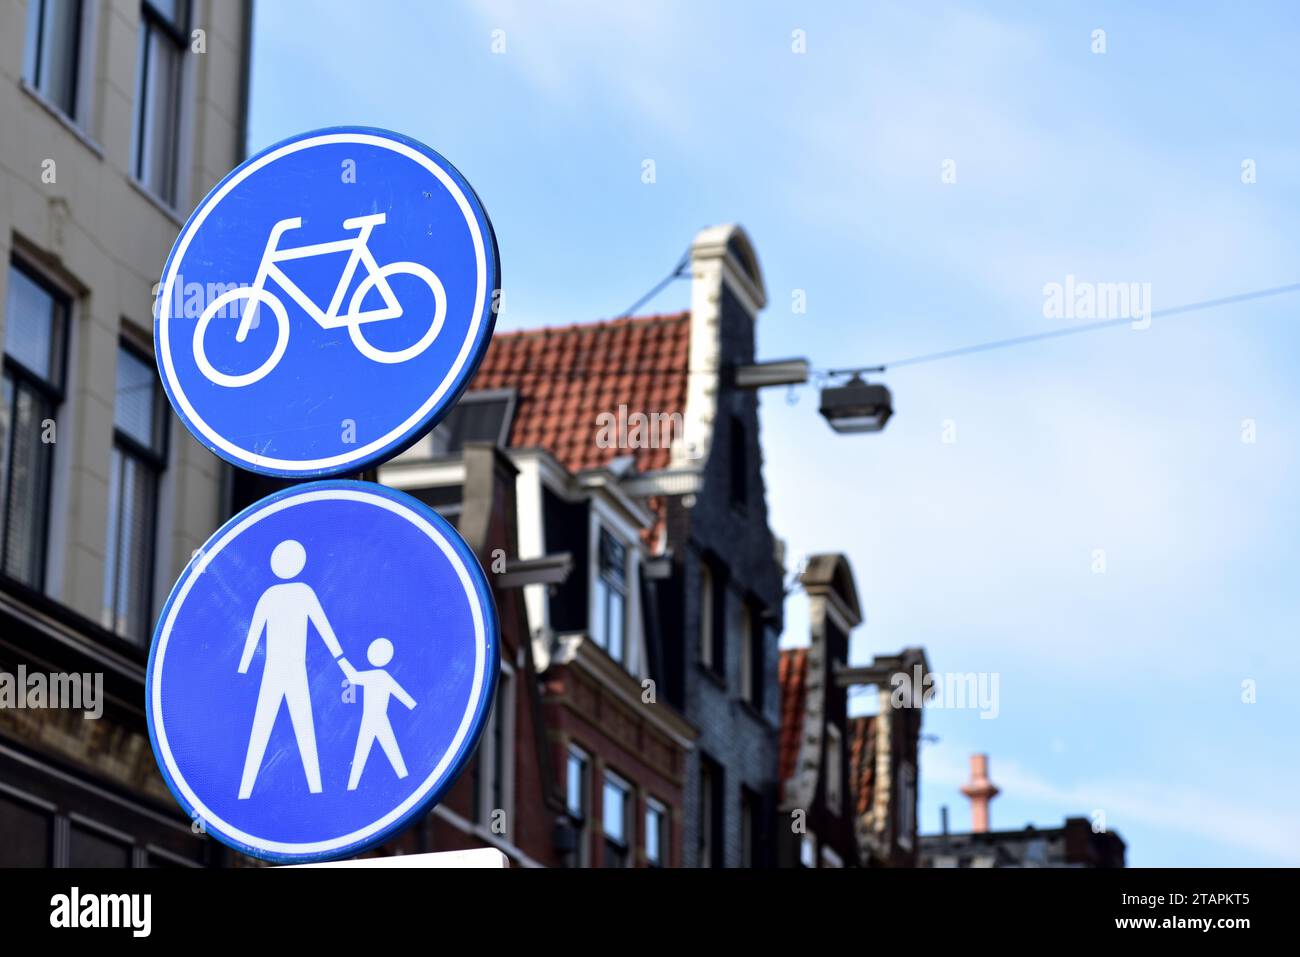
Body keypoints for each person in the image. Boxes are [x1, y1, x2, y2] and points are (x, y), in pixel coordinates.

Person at [236, 539, 345, 799]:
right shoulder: (299, 593)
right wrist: (341, 659)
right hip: (285, 669)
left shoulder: (277, 595)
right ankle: (310, 787)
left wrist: (244, 667)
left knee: (275, 724)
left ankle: (249, 787)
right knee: (293, 723)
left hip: (284, 669)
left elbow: (254, 635)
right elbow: (323, 630)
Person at [337, 637, 417, 790]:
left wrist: (341, 659)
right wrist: (411, 705)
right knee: (386, 749)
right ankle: (403, 779)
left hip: (373, 718)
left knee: (364, 751)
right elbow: (401, 695)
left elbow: (352, 677)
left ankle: (352, 785)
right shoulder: (382, 676)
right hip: (377, 718)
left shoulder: (375, 675)